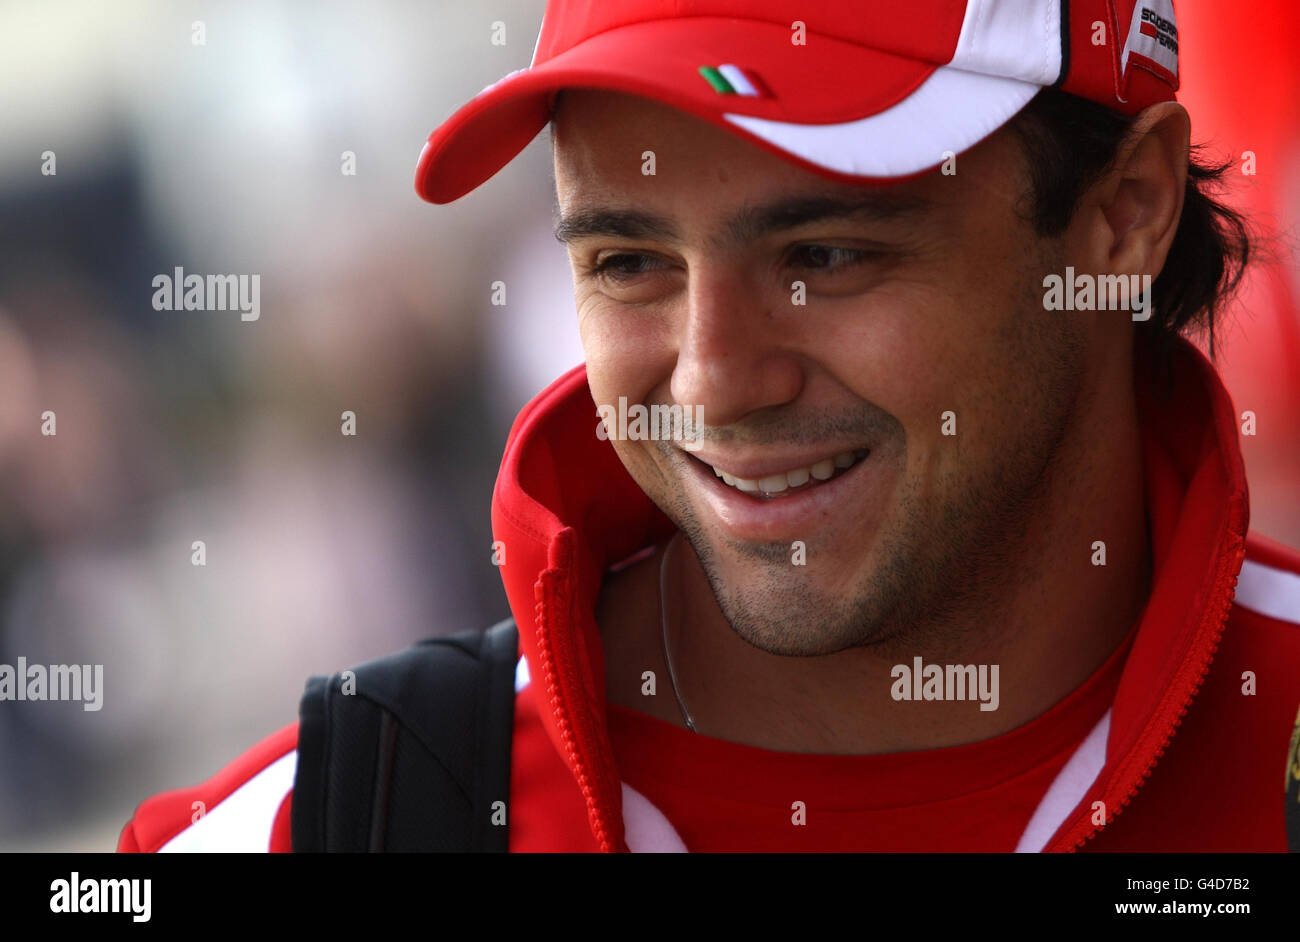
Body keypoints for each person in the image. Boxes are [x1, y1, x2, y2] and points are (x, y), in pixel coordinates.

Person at [118, 0, 1300, 853]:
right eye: (629, 262)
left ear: (1124, 215)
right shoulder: (316, 824)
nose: (713, 379)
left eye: (825, 254)